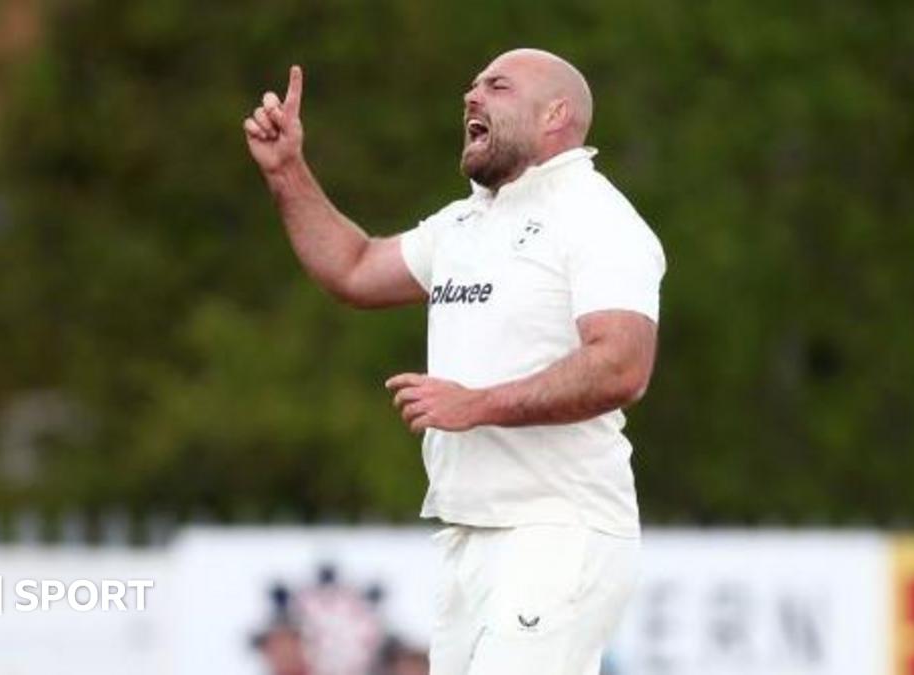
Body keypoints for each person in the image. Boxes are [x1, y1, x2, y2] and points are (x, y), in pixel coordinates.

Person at [243, 48, 665, 675]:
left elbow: (622, 366)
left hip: (556, 529)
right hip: (470, 532)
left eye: (497, 86)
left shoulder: (596, 217)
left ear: (556, 114)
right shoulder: (468, 221)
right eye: (472, 87)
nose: (472, 97)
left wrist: (477, 403)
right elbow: (354, 268)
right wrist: (287, 172)